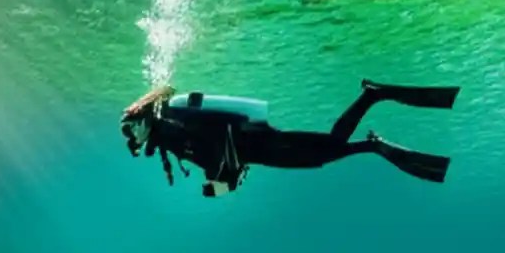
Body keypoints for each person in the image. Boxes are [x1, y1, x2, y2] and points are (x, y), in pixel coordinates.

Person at [120, 80, 459, 197]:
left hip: (259, 144)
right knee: (320, 155)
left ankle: (372, 97)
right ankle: (370, 142)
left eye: (129, 132)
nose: (131, 142)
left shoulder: (168, 129)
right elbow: (213, 152)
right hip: (258, 147)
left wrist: (217, 184)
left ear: (140, 122)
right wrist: (221, 178)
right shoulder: (167, 130)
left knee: (327, 145)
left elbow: (211, 151)